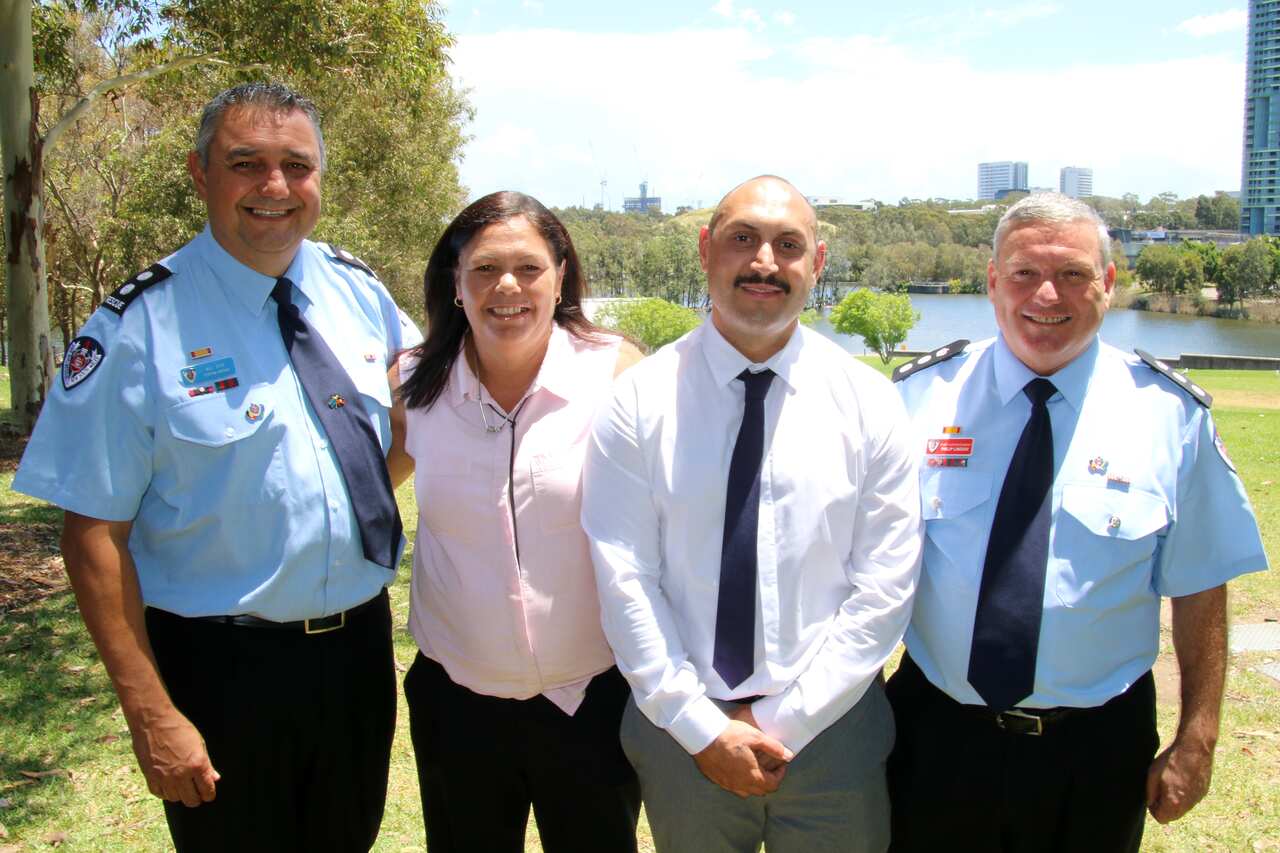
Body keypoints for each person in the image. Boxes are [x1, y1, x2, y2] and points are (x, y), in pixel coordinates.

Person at [13, 83, 417, 852]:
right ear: (201, 175)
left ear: (319, 180)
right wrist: (151, 712)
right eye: (246, 163)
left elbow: (409, 425)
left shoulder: (358, 292)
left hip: (358, 656)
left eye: (296, 165)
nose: (274, 186)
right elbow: (92, 532)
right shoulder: (139, 327)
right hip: (220, 668)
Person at [888, 192, 1269, 852]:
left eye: (1072, 274)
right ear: (992, 283)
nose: (1046, 295)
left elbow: (1202, 581)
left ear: (1110, 283)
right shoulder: (919, 398)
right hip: (938, 733)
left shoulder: (1170, 415)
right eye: (1024, 274)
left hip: (1097, 749)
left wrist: (1198, 733)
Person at [581, 175, 923, 853]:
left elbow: (884, 586)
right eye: (743, 239)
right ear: (707, 251)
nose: (764, 261)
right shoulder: (638, 402)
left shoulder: (869, 402)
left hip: (834, 732)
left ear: (817, 264)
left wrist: (784, 722)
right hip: (682, 730)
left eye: (788, 245)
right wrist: (701, 727)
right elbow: (625, 580)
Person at [387, 191, 644, 852]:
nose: (507, 286)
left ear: (561, 276)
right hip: (458, 706)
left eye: (529, 267)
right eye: (483, 268)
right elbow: (357, 496)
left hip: (594, 702)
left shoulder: (617, 373)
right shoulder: (414, 386)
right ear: (455, 282)